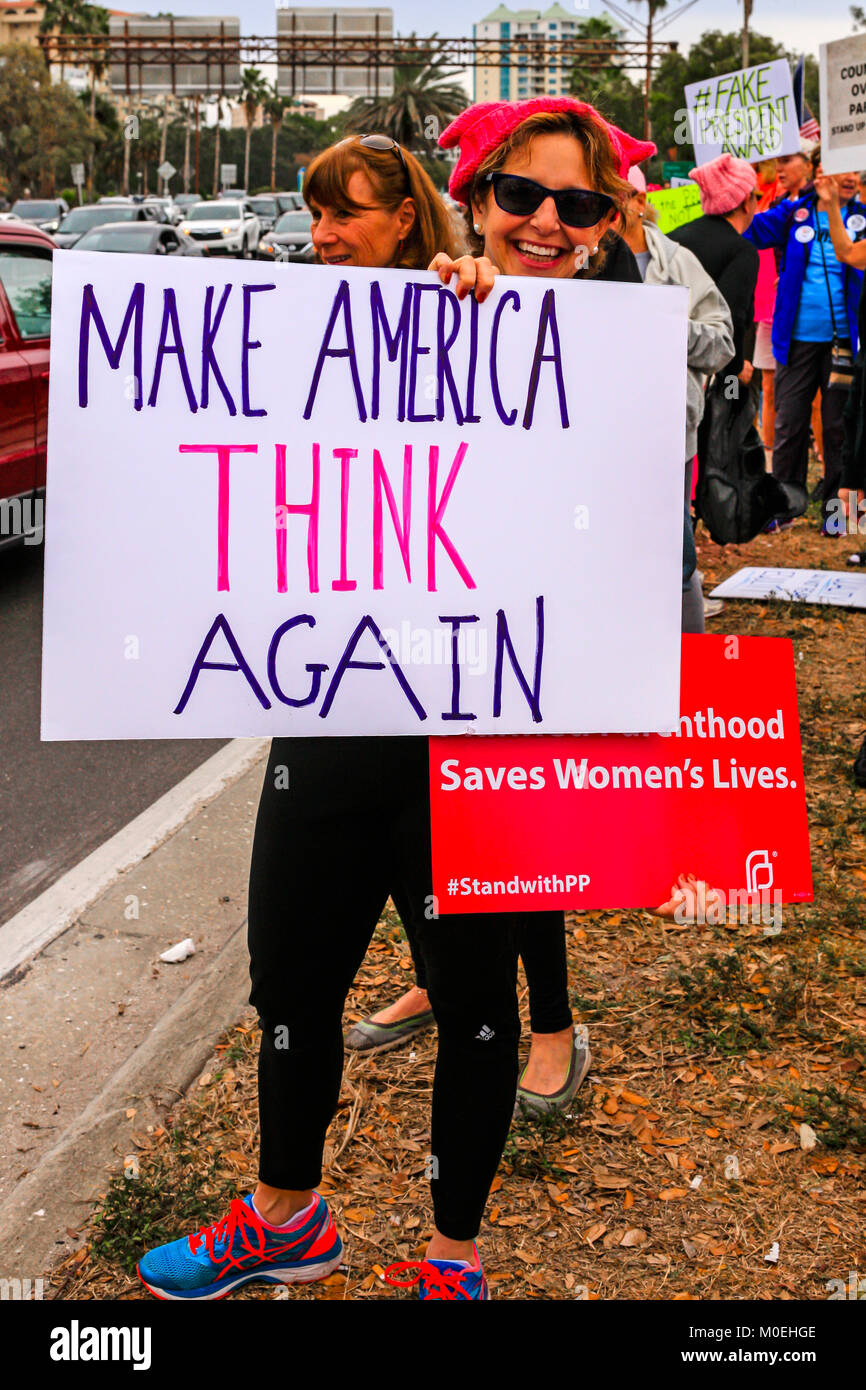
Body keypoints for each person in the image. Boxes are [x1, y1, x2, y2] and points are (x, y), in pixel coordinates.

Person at [137, 134, 529, 1303]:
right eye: (312, 217)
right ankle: (284, 1214)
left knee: (471, 1002)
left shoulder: (479, 318)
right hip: (332, 714)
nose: (319, 236)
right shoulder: (288, 334)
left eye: (341, 214)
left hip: (467, 730)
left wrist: (477, 302)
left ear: (403, 219)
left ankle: (451, 1257)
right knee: (291, 983)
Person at [618, 164, 735, 633]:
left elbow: (722, 342)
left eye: (625, 193)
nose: (617, 204)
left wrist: (668, 328)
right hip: (595, 437)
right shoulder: (578, 258)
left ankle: (691, 665)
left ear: (642, 200)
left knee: (674, 552)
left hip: (667, 433)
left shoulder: (678, 262)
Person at [744, 159, 866, 531]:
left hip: (844, 345)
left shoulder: (862, 215)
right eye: (840, 169)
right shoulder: (797, 211)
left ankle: (836, 515)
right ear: (820, 174)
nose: (849, 177)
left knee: (836, 428)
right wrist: (742, 187)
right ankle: (784, 509)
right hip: (796, 341)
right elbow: (750, 231)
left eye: (854, 170)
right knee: (790, 423)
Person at [668, 152, 760, 382]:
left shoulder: (674, 236)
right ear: (746, 203)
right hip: (706, 372)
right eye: (756, 196)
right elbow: (732, 316)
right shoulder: (742, 251)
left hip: (666, 354)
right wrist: (735, 369)